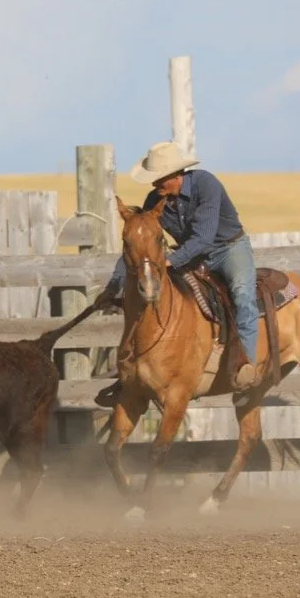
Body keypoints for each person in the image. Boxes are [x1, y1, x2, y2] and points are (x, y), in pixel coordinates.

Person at [93, 141, 261, 402]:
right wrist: (114, 285)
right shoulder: (154, 200)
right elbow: (140, 244)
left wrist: (169, 262)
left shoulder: (206, 185)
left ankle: (245, 369)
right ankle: (137, 371)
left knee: (242, 295)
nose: (155, 184)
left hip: (229, 249)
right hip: (190, 254)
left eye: (159, 178)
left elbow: (204, 237)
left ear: (176, 174)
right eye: (153, 179)